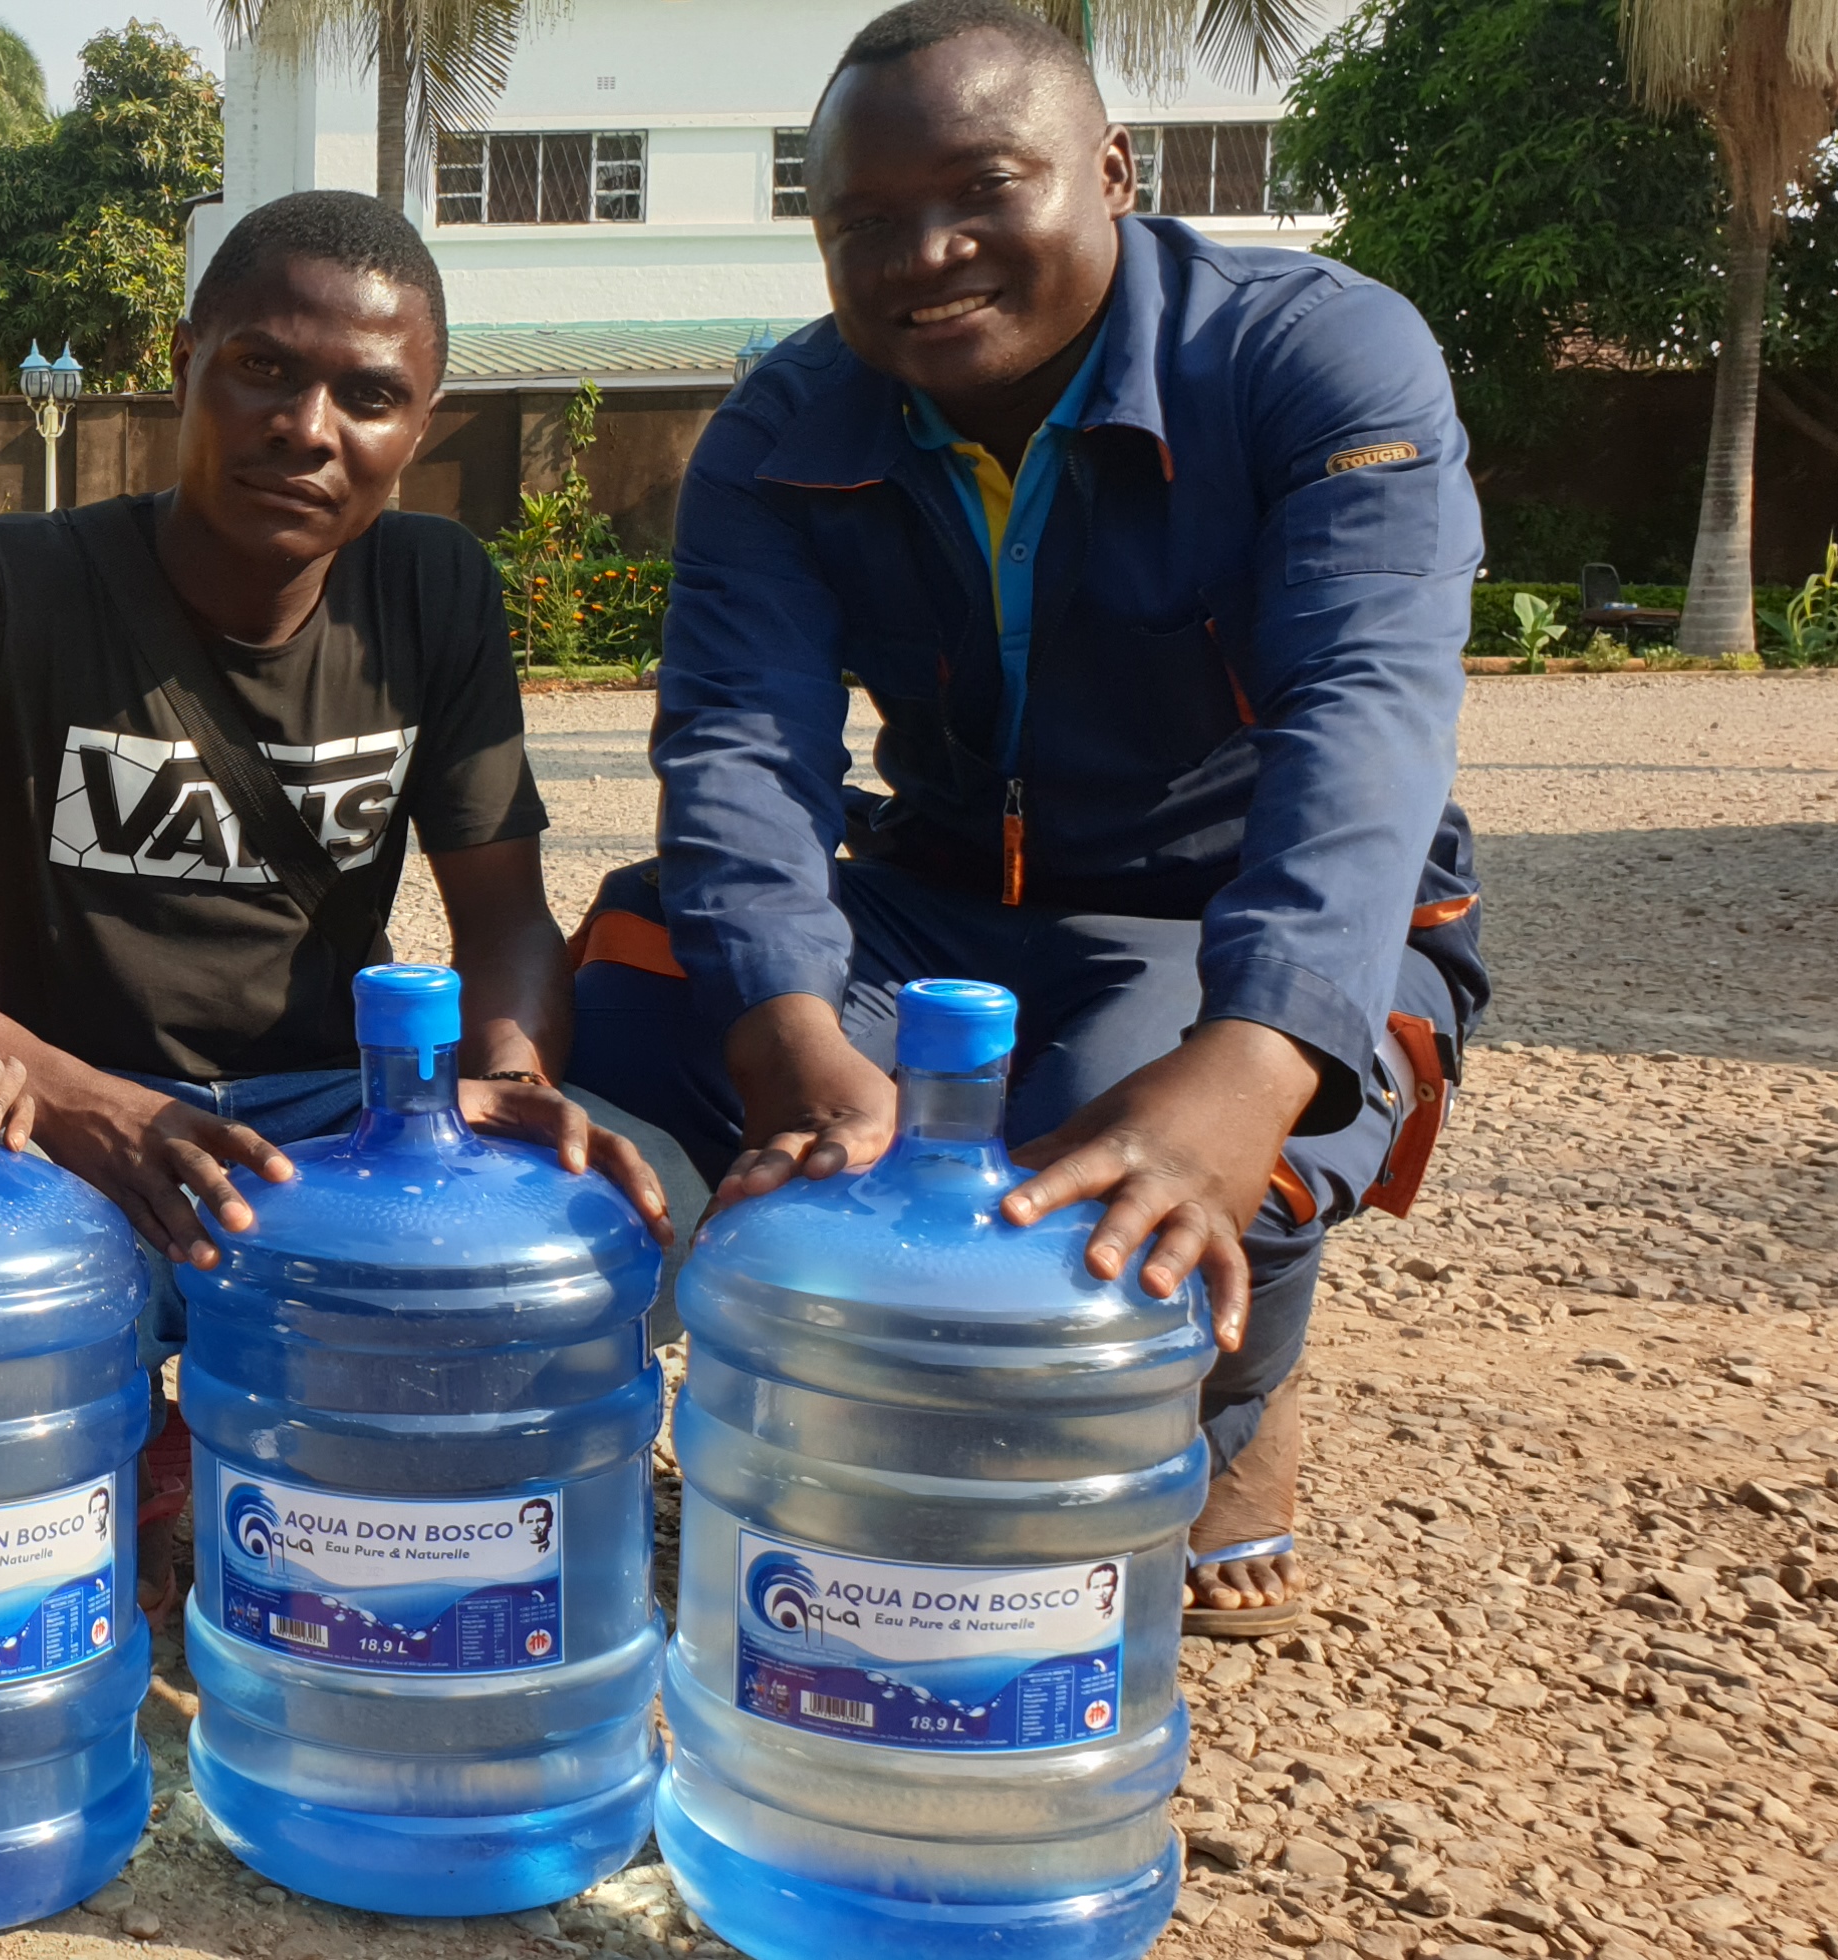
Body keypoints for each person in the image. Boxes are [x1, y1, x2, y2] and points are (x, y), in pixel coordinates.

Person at [557, 0, 1491, 1639]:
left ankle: (1227, 1413)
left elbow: (1364, 730)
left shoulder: (1308, 362)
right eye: (862, 223)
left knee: (1123, 1181)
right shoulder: (782, 434)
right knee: (639, 976)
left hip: (1211, 912)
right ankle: (671, 1388)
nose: (924, 253)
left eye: (983, 188)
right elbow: (738, 765)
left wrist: (1242, 1074)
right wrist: (799, 1061)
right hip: (939, 897)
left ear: (1112, 172)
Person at [0, 191, 696, 1607]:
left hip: (333, 1128)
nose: (308, 426)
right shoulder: (23, 578)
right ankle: (154, 1443)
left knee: (631, 1203)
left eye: (370, 396)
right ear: (186, 363)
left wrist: (494, 1081)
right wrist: (44, 1087)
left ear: (417, 429)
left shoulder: (433, 590)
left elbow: (498, 911)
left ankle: (274, 1455)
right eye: (265, 367)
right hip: (65, 1145)